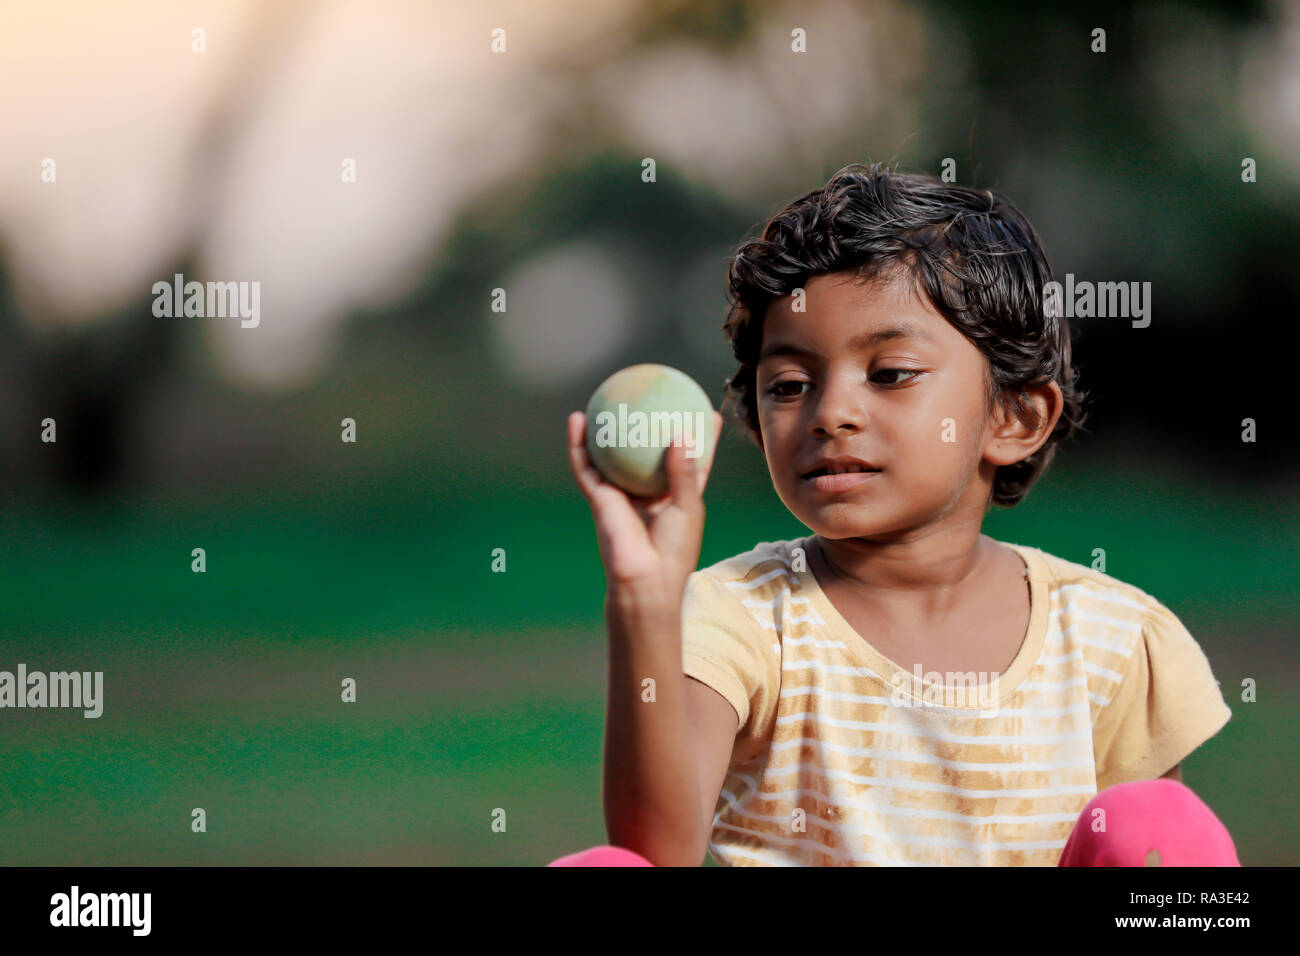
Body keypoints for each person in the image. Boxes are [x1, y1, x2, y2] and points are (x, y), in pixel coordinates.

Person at [558, 162, 1237, 867]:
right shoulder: (741, 618)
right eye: (790, 384)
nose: (832, 414)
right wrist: (643, 600)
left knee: (1160, 822)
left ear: (1015, 416)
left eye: (889, 375)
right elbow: (652, 854)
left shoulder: (1112, 641)